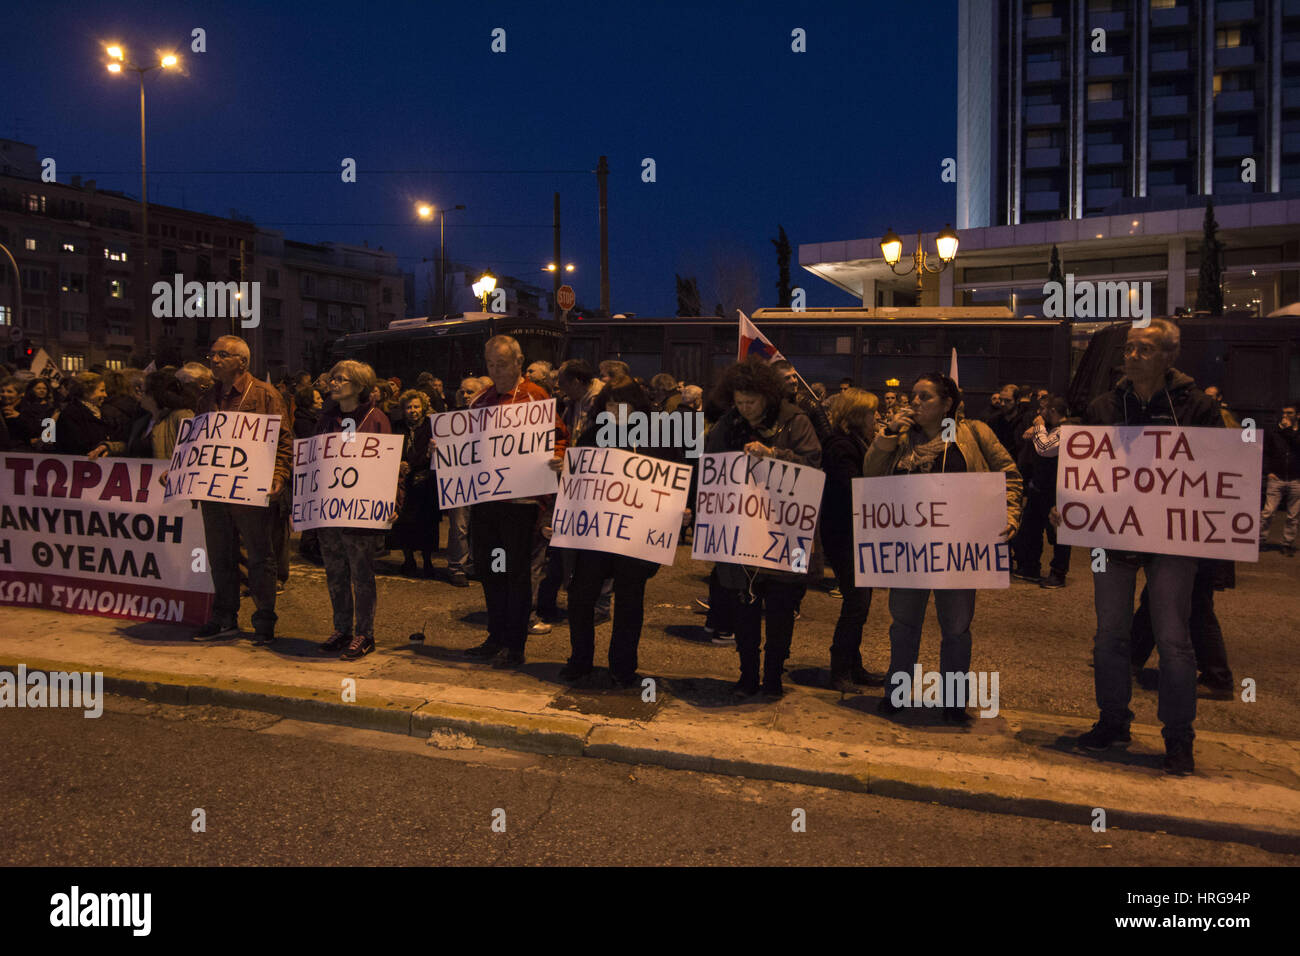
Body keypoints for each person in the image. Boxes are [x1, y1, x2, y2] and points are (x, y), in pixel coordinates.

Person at [1064, 318, 1222, 775]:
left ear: (1170, 356)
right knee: (1109, 636)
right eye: (1130, 349)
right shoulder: (1104, 406)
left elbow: (1216, 470)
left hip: (1173, 540)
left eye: (1145, 350)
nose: (1132, 356)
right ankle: (1113, 721)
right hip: (1113, 539)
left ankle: (1178, 738)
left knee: (1174, 641)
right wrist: (1070, 505)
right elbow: (1088, 470)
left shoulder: (1196, 408)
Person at [866, 372, 1022, 723]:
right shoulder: (901, 437)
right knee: (903, 624)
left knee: (956, 628)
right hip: (912, 550)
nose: (914, 403)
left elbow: (1009, 474)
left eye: (925, 397)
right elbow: (870, 477)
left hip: (958, 550)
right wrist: (887, 436)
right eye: (913, 397)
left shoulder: (974, 434)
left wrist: (1010, 513)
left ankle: (953, 701)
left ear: (947, 403)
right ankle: (898, 692)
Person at [705, 358, 822, 698]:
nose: (745, 409)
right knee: (745, 609)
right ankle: (746, 675)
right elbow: (713, 469)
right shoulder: (728, 424)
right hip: (743, 534)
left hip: (783, 531)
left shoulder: (795, 421)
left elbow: (814, 465)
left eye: (751, 402)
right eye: (739, 402)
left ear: (767, 397)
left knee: (781, 610)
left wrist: (774, 454)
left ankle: (773, 677)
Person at [462, 336, 567, 668]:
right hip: (485, 502)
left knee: (516, 573)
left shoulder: (536, 399)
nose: (496, 370)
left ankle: (515, 643)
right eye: (491, 364)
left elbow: (559, 438)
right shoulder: (480, 401)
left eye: (503, 363)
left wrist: (557, 457)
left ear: (519, 363)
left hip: (520, 504)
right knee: (491, 570)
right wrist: (445, 452)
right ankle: (496, 635)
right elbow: (464, 444)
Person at [557, 379, 662, 686]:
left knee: (630, 602)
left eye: (622, 403)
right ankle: (580, 660)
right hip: (595, 534)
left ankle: (623, 666)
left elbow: (668, 480)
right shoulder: (592, 435)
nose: (616, 410)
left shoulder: (653, 438)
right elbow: (577, 478)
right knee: (580, 597)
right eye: (610, 404)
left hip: (633, 535)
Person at [191, 335, 294, 646]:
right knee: (220, 555)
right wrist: (182, 467)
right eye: (212, 354)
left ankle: (264, 622)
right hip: (214, 492)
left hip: (252, 492)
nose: (214, 359)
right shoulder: (207, 398)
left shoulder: (265, 396)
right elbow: (197, 441)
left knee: (261, 557)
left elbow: (284, 442)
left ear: (242, 362)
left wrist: (278, 475)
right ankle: (224, 617)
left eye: (222, 355)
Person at [313, 360, 394, 660]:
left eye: (341, 379)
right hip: (330, 510)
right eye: (332, 378)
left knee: (361, 574)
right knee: (335, 571)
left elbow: (387, 466)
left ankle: (364, 633)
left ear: (359, 386)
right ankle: (341, 628)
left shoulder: (376, 419)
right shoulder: (326, 418)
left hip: (360, 511)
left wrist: (391, 502)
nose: (333, 383)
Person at [821, 388, 880, 692]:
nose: (876, 418)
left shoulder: (858, 442)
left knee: (861, 602)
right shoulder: (840, 445)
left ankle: (853, 667)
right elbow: (851, 487)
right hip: (843, 534)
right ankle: (840, 670)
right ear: (857, 416)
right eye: (872, 413)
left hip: (854, 533)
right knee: (856, 602)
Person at [1011, 396, 1072, 588]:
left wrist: (1037, 427)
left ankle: (1058, 573)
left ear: (1053, 410)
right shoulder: (1050, 429)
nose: (1039, 413)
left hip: (1054, 492)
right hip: (1038, 488)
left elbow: (1045, 448)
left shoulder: (1066, 431)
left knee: (1058, 535)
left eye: (1043, 409)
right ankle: (1030, 567)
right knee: (1030, 530)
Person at [443, 375, 490, 586]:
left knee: (479, 525)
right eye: (462, 391)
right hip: (459, 478)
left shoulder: (489, 417)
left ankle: (473, 564)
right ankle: (456, 567)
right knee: (459, 526)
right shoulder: (450, 419)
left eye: (470, 391)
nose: (465, 395)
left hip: (482, 478)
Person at [390, 389, 439, 577]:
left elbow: (431, 451)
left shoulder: (431, 426)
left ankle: (427, 561)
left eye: (416, 406)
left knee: (427, 524)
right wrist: (399, 462)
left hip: (425, 481)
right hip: (404, 483)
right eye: (409, 407)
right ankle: (408, 559)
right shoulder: (398, 426)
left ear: (423, 407)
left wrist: (413, 463)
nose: (413, 410)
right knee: (404, 524)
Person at [1260, 401, 1300, 555]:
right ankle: (1260, 540)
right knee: (1268, 511)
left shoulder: (1294, 432)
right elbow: (1267, 452)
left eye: (1289, 413)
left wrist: (1289, 430)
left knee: (1293, 515)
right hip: (1276, 477)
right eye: (1283, 413)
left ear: (1298, 415)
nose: (1285, 416)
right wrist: (1268, 471)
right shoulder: (1274, 431)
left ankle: (1287, 544)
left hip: (1296, 478)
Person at [54, 373, 123, 457]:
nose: (105, 395)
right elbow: (76, 447)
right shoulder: (71, 414)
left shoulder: (102, 413)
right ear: (86, 393)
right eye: (102, 390)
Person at [138, 371, 197, 459]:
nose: (140, 395)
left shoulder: (182, 416)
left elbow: (192, 450)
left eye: (142, 391)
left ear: (153, 394)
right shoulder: (145, 420)